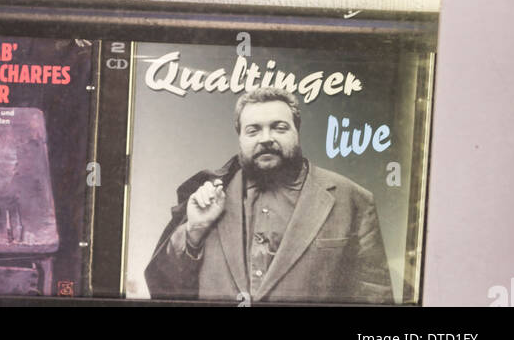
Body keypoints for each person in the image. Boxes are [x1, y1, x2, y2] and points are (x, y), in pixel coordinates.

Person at [144, 87, 394, 303]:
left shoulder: (352, 199)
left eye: (279, 127)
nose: (266, 138)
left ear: (297, 131)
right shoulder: (207, 196)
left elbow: (375, 298)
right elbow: (166, 289)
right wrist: (194, 231)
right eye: (253, 130)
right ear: (240, 138)